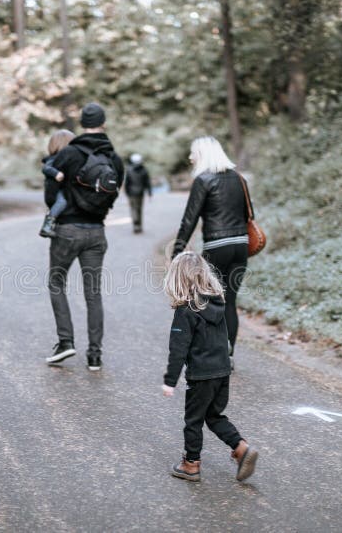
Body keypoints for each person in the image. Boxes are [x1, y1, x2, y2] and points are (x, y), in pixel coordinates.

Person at [161, 251, 258, 483]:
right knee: (214, 416)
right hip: (222, 371)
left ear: (177, 279)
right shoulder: (218, 303)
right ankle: (241, 447)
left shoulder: (185, 311)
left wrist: (170, 381)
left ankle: (191, 464)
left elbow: (178, 350)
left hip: (202, 375)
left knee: (193, 420)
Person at [44, 102, 125, 371]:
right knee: (93, 293)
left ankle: (66, 342)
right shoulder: (114, 159)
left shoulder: (68, 154)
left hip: (67, 230)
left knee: (56, 283)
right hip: (97, 232)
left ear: (82, 124)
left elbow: (49, 196)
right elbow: (113, 193)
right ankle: (94, 355)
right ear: (104, 123)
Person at [172, 136, 249, 367]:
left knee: (208, 299)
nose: (190, 157)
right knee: (230, 301)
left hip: (217, 246)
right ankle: (229, 353)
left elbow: (189, 219)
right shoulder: (239, 178)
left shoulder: (203, 180)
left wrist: (178, 250)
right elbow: (248, 214)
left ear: (202, 154)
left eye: (193, 152)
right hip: (241, 247)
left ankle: (212, 352)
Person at [39, 129, 76, 238]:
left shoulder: (68, 158)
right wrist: (56, 173)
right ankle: (46, 227)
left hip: (64, 188)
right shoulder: (55, 158)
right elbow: (46, 168)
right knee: (62, 202)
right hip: (56, 190)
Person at [125, 153, 152, 233]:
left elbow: (127, 183)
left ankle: (136, 225)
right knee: (139, 209)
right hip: (140, 192)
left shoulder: (129, 169)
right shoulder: (144, 169)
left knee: (133, 209)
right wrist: (149, 192)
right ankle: (139, 226)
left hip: (131, 193)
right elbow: (147, 182)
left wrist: (127, 192)